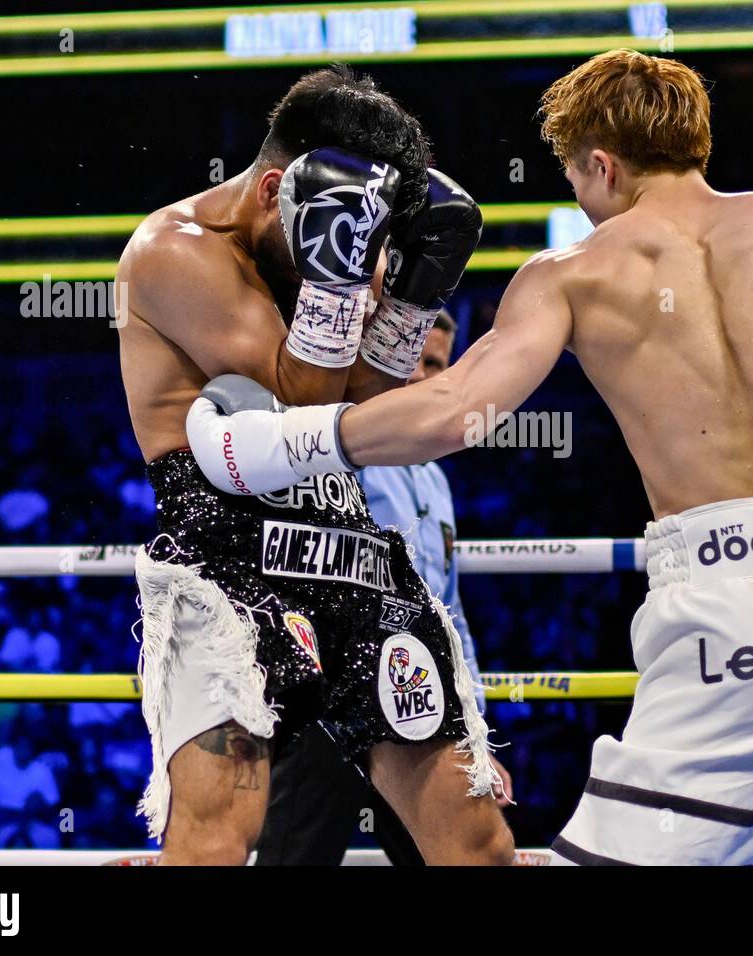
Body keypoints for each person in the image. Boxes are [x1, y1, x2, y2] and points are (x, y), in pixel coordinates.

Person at [186, 50, 753, 866]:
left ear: (601, 165)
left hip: (721, 605)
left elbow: (455, 415)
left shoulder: (576, 272)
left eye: (574, 178)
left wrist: (285, 442)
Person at [116, 64, 513, 865]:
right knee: (219, 840)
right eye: (334, 240)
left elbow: (358, 396)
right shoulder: (174, 252)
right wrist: (339, 278)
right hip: (230, 563)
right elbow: (297, 396)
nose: (347, 265)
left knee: (476, 842)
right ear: (274, 191)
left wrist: (409, 297)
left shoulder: (325, 235)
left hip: (352, 548)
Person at [257, 312, 513, 865]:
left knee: (456, 850)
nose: (422, 378)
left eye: (438, 366)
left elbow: (452, 612)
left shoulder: (437, 478)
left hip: (414, 695)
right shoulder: (336, 451)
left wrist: (475, 733)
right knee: (295, 855)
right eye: (414, 360)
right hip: (332, 692)